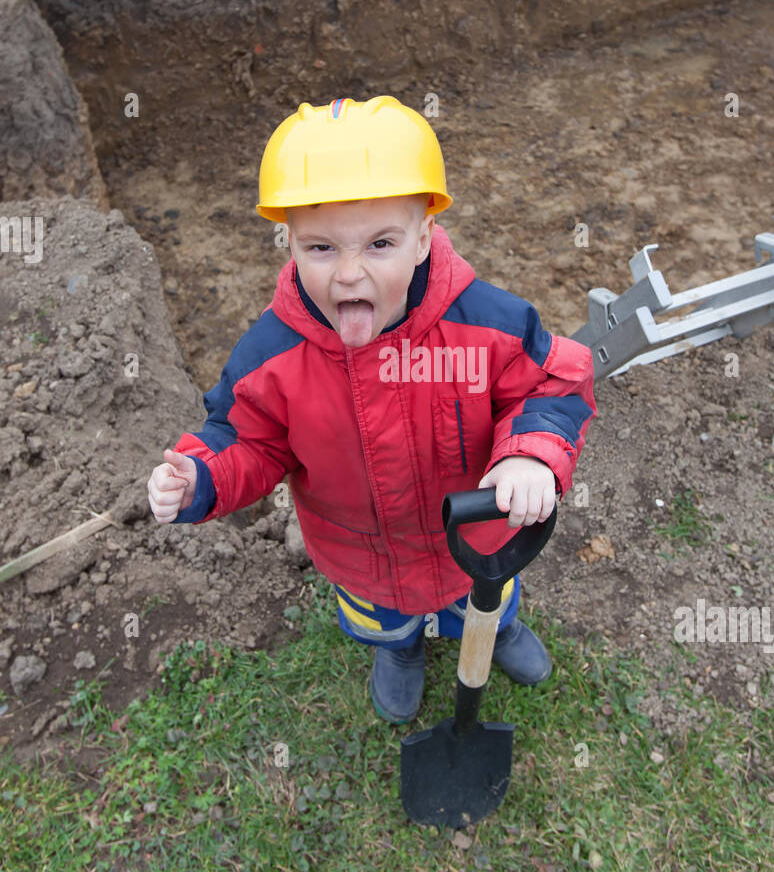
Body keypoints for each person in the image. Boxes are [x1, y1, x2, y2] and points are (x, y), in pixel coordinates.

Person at [147, 96, 597, 723]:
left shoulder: (483, 325)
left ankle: (498, 634)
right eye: (321, 248)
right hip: (361, 555)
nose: (349, 275)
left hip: (476, 540)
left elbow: (550, 382)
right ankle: (402, 653)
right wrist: (201, 478)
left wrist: (530, 455)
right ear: (291, 245)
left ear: (423, 239)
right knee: (385, 621)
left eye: (380, 243)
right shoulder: (273, 355)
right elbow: (246, 439)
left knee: (487, 601)